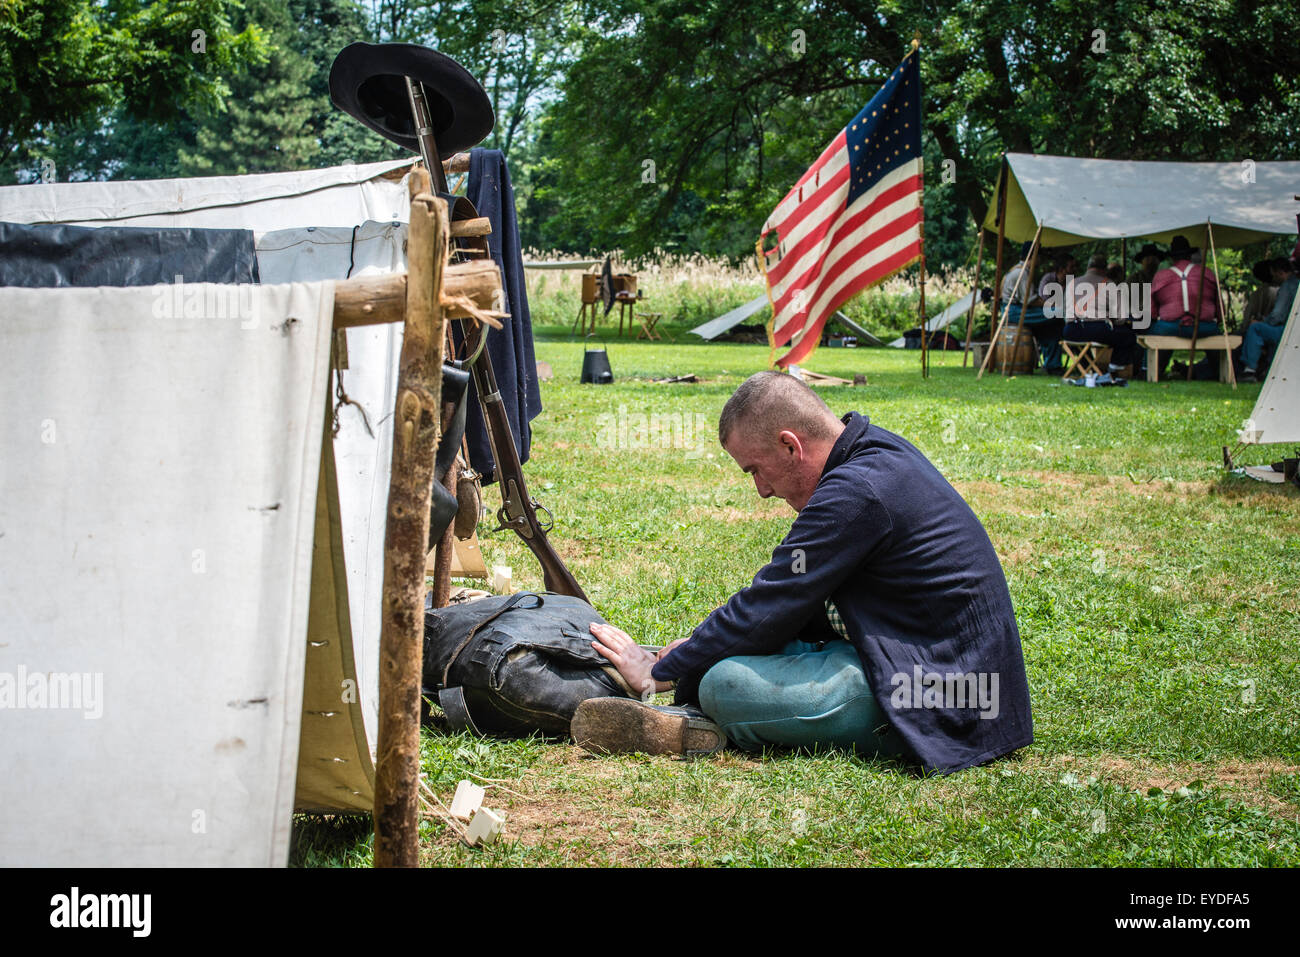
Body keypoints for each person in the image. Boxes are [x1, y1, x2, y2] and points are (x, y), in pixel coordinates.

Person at [573, 371, 1034, 775]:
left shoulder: (857, 493)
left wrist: (662, 671)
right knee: (719, 661)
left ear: (790, 445)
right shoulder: (868, 454)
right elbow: (793, 602)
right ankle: (695, 711)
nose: (761, 491)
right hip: (912, 656)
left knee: (725, 685)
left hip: (944, 699)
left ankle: (692, 723)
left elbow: (772, 600)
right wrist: (696, 650)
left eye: (755, 470)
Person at [1148, 235, 1221, 379]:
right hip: (1204, 327)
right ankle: (1218, 372)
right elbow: (1220, 309)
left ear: (1172, 258)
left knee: (1153, 332)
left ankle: (1152, 370)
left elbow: (1152, 311)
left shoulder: (1161, 276)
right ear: (1189, 255)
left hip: (1170, 327)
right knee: (1215, 334)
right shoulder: (1207, 273)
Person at [1061, 254, 1138, 379]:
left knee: (1079, 343)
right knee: (1128, 337)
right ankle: (1112, 369)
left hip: (1071, 330)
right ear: (1104, 269)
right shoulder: (1109, 284)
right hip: (1098, 329)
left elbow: (1065, 311)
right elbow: (1121, 317)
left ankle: (1089, 370)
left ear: (1088, 267)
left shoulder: (1072, 283)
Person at [999, 240, 1063, 372]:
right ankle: (1053, 364)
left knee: (1050, 329)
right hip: (1014, 311)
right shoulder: (1021, 273)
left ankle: (1053, 365)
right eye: (1039, 256)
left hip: (1020, 309)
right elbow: (1029, 301)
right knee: (1058, 313)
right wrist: (1051, 305)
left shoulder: (1021, 270)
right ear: (1033, 257)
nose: (1040, 260)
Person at [1242, 257, 1298, 383]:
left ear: (1280, 272)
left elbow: (1277, 315)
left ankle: (1249, 370)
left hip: (1288, 331)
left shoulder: (1287, 287)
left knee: (1255, 329)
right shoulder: (1297, 283)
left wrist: (1262, 322)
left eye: (1273, 275)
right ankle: (1268, 368)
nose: (1273, 279)